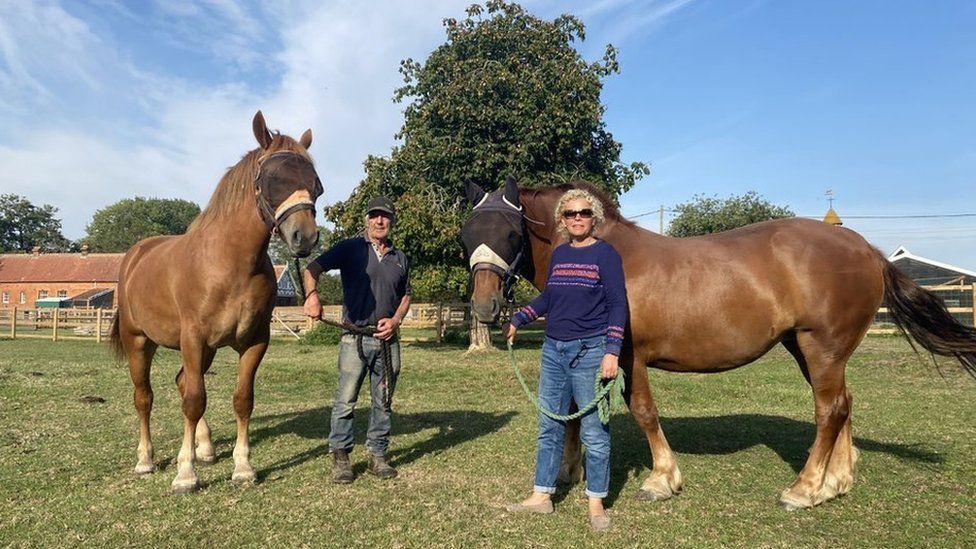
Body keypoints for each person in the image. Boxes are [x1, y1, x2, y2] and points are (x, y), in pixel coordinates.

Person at [503, 188, 627, 531]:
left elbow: (618, 304)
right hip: (553, 351)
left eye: (584, 213)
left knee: (594, 430)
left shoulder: (606, 255)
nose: (577, 218)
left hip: (590, 351)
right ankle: (542, 496)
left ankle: (596, 501)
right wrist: (519, 318)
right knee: (549, 426)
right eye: (570, 213)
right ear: (562, 219)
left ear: (594, 217)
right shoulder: (559, 255)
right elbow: (550, 297)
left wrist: (611, 351)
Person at [303, 195, 411, 483]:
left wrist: (396, 320)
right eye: (374, 215)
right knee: (345, 401)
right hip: (354, 338)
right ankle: (341, 457)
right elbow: (313, 268)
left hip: (389, 341)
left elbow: (406, 295)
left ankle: (377, 455)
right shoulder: (350, 248)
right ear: (367, 219)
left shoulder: (399, 257)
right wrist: (312, 296)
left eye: (385, 216)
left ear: (392, 221)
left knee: (383, 401)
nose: (379, 221)